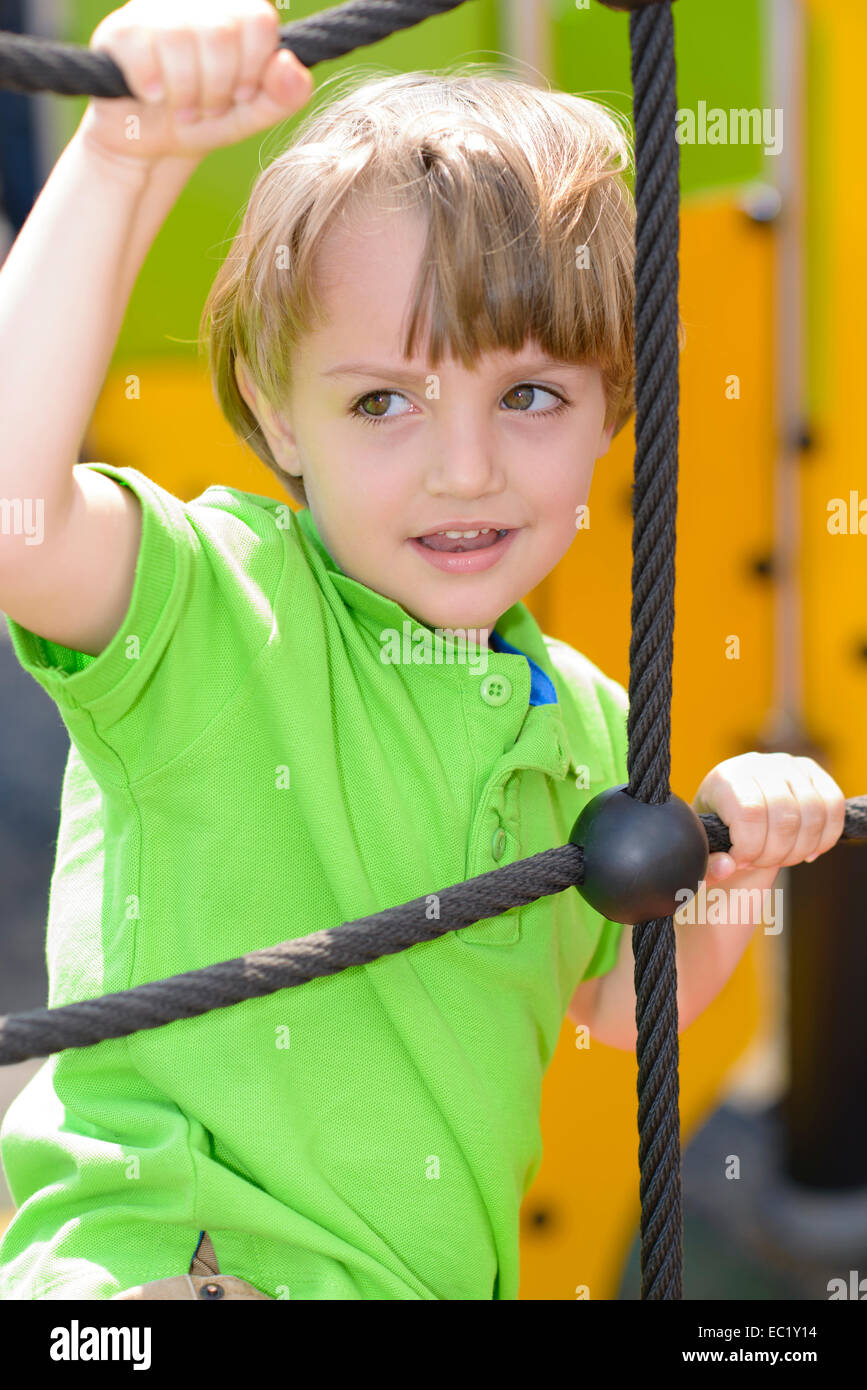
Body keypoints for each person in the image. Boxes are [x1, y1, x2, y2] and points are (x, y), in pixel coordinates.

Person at [0, 0, 846, 1301]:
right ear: (277, 411)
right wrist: (122, 158)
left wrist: (732, 851)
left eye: (530, 395)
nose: (465, 468)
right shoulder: (218, 606)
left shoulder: (587, 724)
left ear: (614, 411)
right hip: (167, 1277)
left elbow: (625, 1010)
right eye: (383, 400)